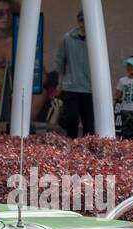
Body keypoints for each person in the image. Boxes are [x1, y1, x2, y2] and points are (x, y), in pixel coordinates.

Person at [56, 10, 93, 138]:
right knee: (71, 119)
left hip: (89, 87)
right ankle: (71, 147)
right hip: (71, 85)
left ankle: (89, 150)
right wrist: (60, 83)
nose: (84, 23)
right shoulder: (67, 38)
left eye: (86, 20)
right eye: (81, 20)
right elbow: (60, 60)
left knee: (89, 122)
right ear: (78, 21)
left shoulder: (95, 38)